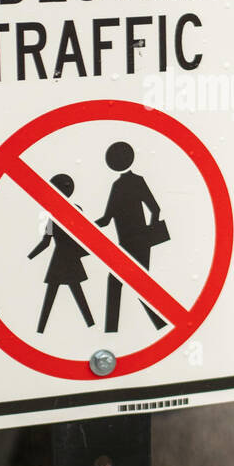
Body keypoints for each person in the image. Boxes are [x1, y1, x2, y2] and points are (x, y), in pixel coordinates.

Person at [95, 141, 167, 333]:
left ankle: (112, 329)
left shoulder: (120, 185)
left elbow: (106, 219)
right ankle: (161, 322)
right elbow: (155, 210)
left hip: (132, 242)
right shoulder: (128, 183)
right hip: (132, 243)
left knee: (124, 283)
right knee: (137, 284)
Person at [27, 174, 95, 334]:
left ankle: (41, 330)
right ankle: (92, 327)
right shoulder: (74, 210)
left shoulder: (50, 215)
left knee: (53, 297)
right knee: (77, 295)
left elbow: (46, 241)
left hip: (60, 259)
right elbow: (84, 237)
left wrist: (29, 258)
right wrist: (28, 258)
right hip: (70, 258)